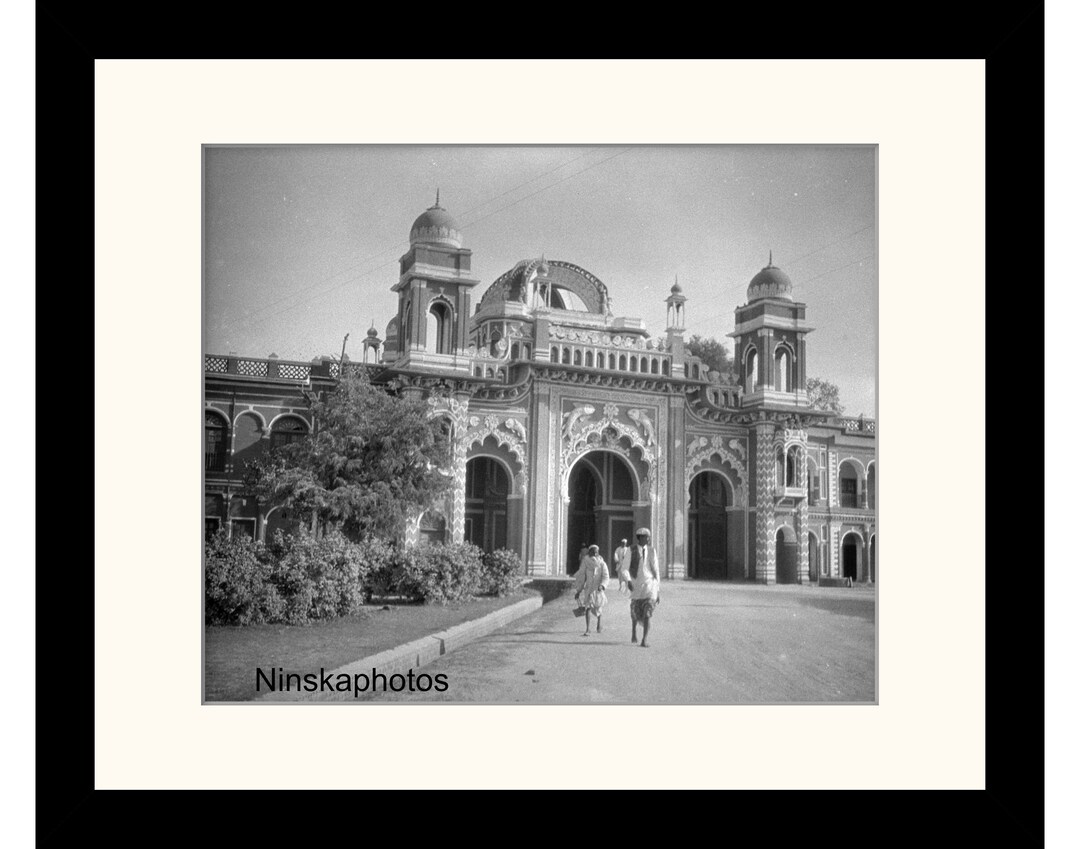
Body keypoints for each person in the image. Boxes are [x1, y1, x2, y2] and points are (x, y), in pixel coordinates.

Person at [627, 527, 661, 648]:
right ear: (640, 537)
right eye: (647, 537)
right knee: (635, 613)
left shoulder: (652, 551)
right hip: (636, 586)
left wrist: (658, 590)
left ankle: (644, 639)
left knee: (647, 613)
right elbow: (624, 568)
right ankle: (634, 631)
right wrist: (628, 580)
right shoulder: (631, 550)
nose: (649, 539)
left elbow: (656, 570)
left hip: (650, 586)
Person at [573, 544, 610, 637]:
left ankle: (599, 623)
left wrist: (602, 586)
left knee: (598, 607)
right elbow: (582, 576)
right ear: (589, 552)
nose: (594, 553)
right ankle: (588, 628)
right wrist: (579, 590)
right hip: (589, 588)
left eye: (596, 552)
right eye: (593, 551)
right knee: (588, 607)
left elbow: (606, 576)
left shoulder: (602, 563)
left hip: (598, 589)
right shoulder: (585, 562)